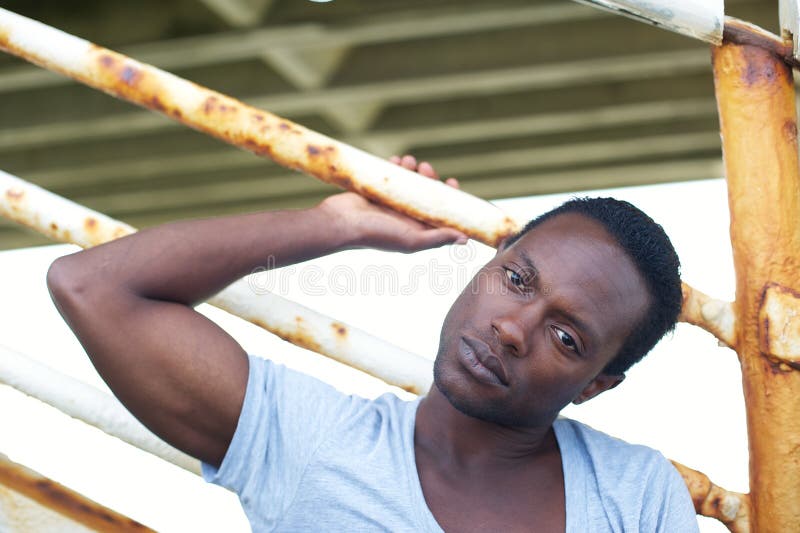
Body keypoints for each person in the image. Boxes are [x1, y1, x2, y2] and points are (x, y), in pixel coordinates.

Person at [46, 155, 698, 532]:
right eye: (517, 279)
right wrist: (332, 225)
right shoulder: (316, 443)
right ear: (488, 262)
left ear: (594, 384)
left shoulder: (632, 490)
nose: (511, 328)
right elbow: (93, 286)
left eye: (565, 336)